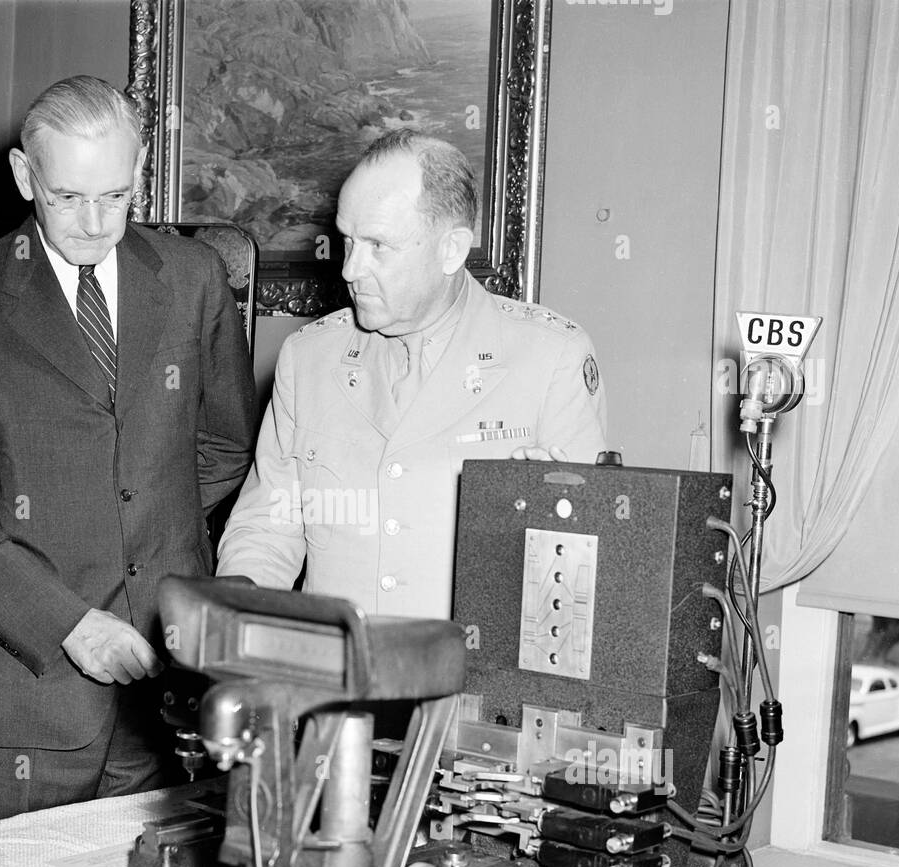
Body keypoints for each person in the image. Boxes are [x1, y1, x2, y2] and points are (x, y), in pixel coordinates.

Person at [0, 76, 257, 822]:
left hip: (165, 685)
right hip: (23, 689)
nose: (95, 224)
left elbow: (223, 445)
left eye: (117, 196)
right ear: (25, 177)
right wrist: (66, 620)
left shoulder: (194, 278)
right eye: (66, 198)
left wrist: (151, 537)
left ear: (142, 170)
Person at [217, 129, 608, 618]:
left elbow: (579, 579)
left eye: (379, 245)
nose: (350, 269)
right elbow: (267, 527)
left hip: (473, 685)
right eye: (347, 241)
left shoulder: (551, 359)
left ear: (451, 249)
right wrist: (235, 626)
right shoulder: (309, 358)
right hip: (335, 682)